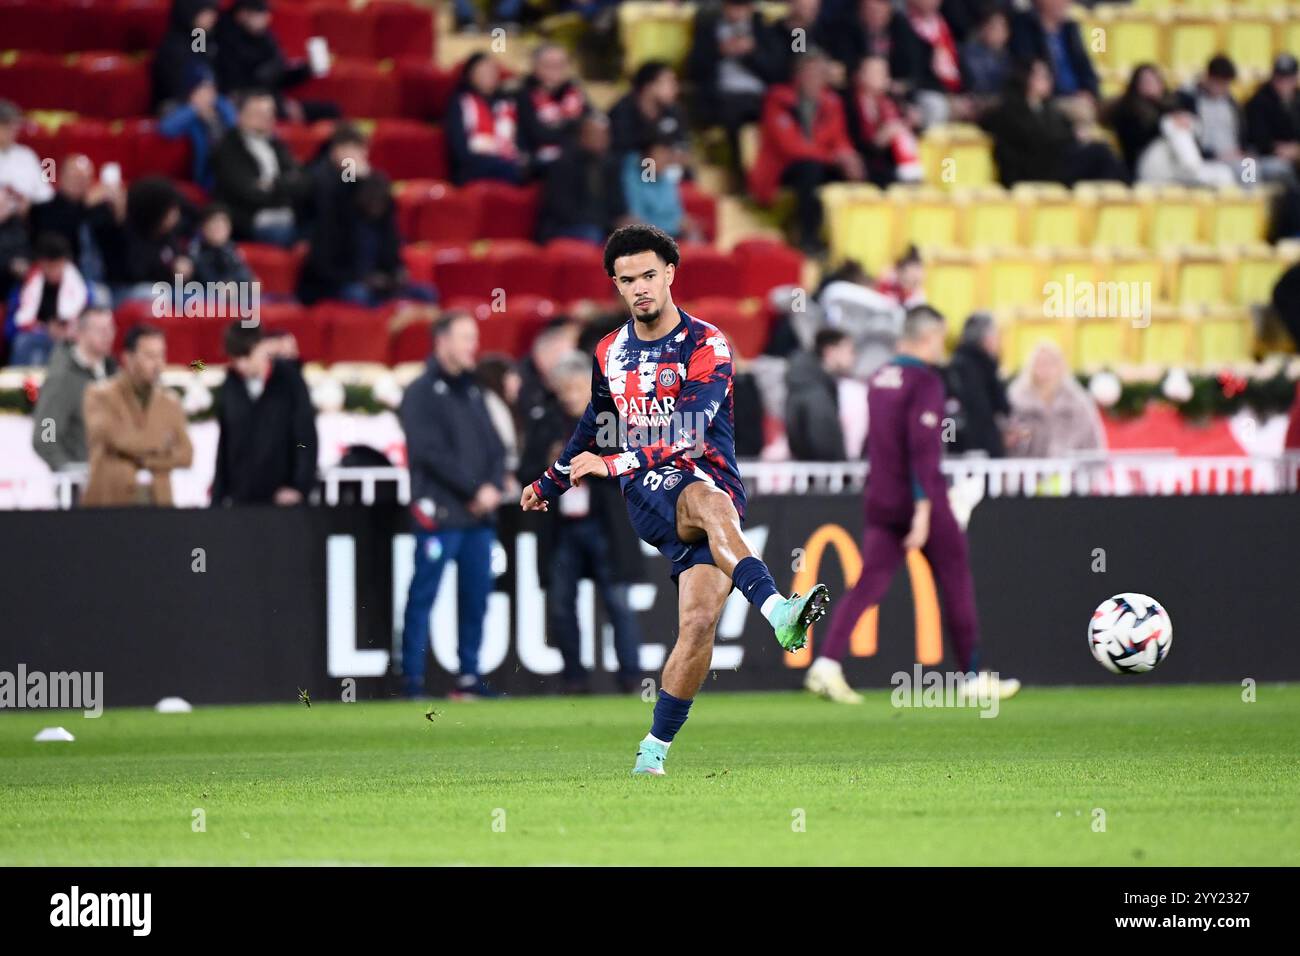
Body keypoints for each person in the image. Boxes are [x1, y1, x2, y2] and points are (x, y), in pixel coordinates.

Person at [520, 224, 832, 775]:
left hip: (707, 475)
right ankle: (779, 611)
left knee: (698, 622)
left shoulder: (708, 344)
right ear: (616, 287)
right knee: (708, 504)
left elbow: (688, 429)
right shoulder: (609, 352)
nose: (639, 288)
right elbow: (597, 424)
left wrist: (610, 461)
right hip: (652, 490)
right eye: (626, 280)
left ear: (670, 275)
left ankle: (653, 751)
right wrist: (554, 480)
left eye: (647, 275)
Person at [805, 306, 1020, 704]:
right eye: (940, 338)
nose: (942, 347)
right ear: (928, 337)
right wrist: (923, 510)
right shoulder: (924, 381)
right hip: (921, 501)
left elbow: (883, 445)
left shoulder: (878, 379)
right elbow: (922, 450)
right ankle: (972, 676)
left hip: (881, 497)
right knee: (955, 579)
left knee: (868, 584)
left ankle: (827, 664)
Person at [519, 350, 645, 693]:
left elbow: (630, 466)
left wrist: (593, 464)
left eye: (578, 388)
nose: (572, 396)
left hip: (604, 524)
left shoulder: (611, 419)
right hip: (562, 527)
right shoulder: (544, 422)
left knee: (617, 602)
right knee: (560, 603)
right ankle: (574, 678)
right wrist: (548, 467)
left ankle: (631, 677)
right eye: (566, 390)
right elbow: (526, 471)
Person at [399, 311, 507, 700]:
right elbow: (429, 453)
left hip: (478, 518)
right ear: (442, 341)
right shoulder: (420, 393)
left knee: (475, 597)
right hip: (440, 515)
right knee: (423, 595)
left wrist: (493, 487)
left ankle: (468, 677)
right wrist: (475, 490)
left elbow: (496, 447)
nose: (472, 347)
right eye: (465, 338)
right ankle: (412, 680)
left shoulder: (474, 391)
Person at [298, 125, 433, 305]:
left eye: (361, 151)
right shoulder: (323, 180)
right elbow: (335, 202)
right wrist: (352, 174)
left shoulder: (376, 194)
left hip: (374, 279)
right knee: (360, 295)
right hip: (338, 281)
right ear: (335, 151)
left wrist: (395, 272)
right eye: (350, 151)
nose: (357, 157)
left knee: (425, 294)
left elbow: (390, 235)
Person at [749, 50, 864, 254]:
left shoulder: (832, 103)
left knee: (857, 170)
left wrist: (848, 157)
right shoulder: (778, 99)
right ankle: (807, 239)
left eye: (820, 73)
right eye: (809, 72)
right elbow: (791, 148)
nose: (815, 78)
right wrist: (832, 158)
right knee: (810, 170)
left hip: (818, 164)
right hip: (781, 169)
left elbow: (840, 139)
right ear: (797, 74)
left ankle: (846, 243)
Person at [82, 324, 193, 507]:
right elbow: (116, 438)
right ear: (128, 358)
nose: (158, 363)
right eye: (150, 356)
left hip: (158, 503)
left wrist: (146, 459)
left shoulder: (170, 402)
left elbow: (186, 455)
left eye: (161, 355)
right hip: (110, 503)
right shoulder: (100, 396)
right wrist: (161, 448)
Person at [212, 322, 317, 506]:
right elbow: (225, 443)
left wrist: (298, 486)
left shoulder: (290, 381)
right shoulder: (231, 385)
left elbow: (303, 439)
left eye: (246, 356)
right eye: (236, 359)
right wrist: (219, 495)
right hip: (240, 498)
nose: (241, 365)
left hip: (283, 498)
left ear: (262, 348)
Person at [981, 58, 1128, 187]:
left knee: (1101, 153)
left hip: (1053, 164)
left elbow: (1061, 133)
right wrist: (1072, 136)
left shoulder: (1047, 107)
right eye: (1042, 76)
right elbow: (1037, 139)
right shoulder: (1010, 110)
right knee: (1099, 153)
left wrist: (1075, 135)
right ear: (1026, 78)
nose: (1048, 80)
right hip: (1031, 170)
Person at [687, 0, 780, 187]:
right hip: (724, 95)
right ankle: (741, 178)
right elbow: (694, 69)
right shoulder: (708, 28)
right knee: (735, 114)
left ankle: (775, 178)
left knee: (778, 115)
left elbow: (778, 71)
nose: (736, 12)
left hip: (759, 95)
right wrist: (719, 51)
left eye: (742, 6)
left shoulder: (762, 30)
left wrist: (752, 53)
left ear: (751, 8)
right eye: (732, 6)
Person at [1107, 63, 1235, 187]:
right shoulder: (1128, 109)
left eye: (1154, 80)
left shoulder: (1173, 103)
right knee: (1172, 125)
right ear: (1136, 84)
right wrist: (1165, 123)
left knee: (1224, 175)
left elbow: (1193, 134)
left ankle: (1195, 169)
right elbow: (1134, 140)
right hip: (1147, 166)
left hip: (1174, 166)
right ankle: (1193, 167)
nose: (1150, 85)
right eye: (1145, 81)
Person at [211, 90, 309, 245]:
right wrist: (284, 188)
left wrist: (272, 185)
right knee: (291, 234)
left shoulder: (276, 144)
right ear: (240, 115)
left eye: (270, 113)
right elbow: (248, 193)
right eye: (259, 113)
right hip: (251, 220)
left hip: (287, 214)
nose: (267, 118)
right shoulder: (228, 147)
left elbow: (302, 181)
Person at [215, 0, 335, 122]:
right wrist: (280, 104)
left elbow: (280, 74)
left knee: (330, 109)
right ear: (242, 14)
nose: (266, 19)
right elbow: (242, 84)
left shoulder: (266, 38)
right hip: (250, 102)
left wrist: (306, 68)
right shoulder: (226, 40)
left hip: (275, 99)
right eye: (260, 14)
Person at [31, 307, 117, 474]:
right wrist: (70, 472)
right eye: (100, 329)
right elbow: (45, 435)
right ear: (81, 332)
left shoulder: (113, 372)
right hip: (79, 485)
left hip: (113, 481)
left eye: (111, 328)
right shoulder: (61, 378)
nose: (108, 335)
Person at [537, 111, 627, 244]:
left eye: (606, 135)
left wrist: (624, 219)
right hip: (563, 228)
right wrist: (605, 222)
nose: (603, 140)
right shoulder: (563, 164)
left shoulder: (610, 166)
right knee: (592, 234)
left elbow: (617, 205)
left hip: (599, 225)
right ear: (582, 136)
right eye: (597, 135)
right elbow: (564, 211)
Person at [1005, 340, 1105, 457]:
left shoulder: (1077, 400)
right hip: (1028, 471)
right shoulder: (1016, 398)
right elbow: (1008, 435)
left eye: (1050, 363)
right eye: (1040, 363)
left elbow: (1092, 441)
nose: (1044, 368)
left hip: (1067, 470)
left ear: (1060, 366)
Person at [8, 233, 89, 367]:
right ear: (41, 264)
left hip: (69, 337)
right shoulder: (27, 286)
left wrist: (69, 330)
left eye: (57, 265)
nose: (53, 271)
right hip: (36, 337)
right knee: (24, 343)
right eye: (49, 266)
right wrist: (43, 329)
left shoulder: (81, 289)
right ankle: (22, 385)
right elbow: (12, 327)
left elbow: (88, 322)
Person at [445, 52, 525, 186]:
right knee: (510, 168)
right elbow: (459, 149)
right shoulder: (460, 102)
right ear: (470, 75)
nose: (488, 75)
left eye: (492, 71)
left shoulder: (508, 103)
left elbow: (520, 140)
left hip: (509, 161)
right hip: (473, 165)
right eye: (482, 71)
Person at [844, 54, 923, 185]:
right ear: (859, 75)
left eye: (884, 72)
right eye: (875, 72)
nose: (882, 77)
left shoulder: (891, 103)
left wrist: (911, 124)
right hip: (861, 164)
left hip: (888, 166)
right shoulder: (849, 104)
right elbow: (851, 143)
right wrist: (877, 142)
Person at [158, 64, 238, 191]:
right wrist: (195, 108)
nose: (208, 93)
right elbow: (167, 129)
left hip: (231, 165)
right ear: (191, 90)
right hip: (208, 173)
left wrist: (216, 108)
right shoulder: (177, 108)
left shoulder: (221, 106)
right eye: (203, 88)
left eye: (211, 88)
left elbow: (236, 127)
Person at [517, 44, 589, 178]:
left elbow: (590, 121)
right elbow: (539, 135)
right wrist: (572, 126)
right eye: (550, 65)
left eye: (562, 64)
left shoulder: (574, 90)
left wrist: (564, 127)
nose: (557, 70)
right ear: (535, 67)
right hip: (538, 158)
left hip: (574, 152)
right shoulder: (524, 94)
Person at [945, 311, 1009, 457]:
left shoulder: (953, 365)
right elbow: (1000, 407)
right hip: (980, 451)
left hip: (956, 449)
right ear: (986, 338)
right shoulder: (985, 367)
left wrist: (949, 446)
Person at [1008, 0, 1099, 102]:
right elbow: (1031, 71)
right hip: (1051, 99)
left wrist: (1089, 91)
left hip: (1080, 97)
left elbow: (1086, 67)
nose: (1064, 2)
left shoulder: (1070, 29)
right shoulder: (1023, 27)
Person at [785, 327, 854, 461]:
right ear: (830, 351)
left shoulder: (805, 383)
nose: (853, 358)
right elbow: (825, 444)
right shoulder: (816, 393)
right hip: (821, 476)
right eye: (849, 351)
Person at [609, 61, 690, 158]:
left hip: (665, 167)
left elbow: (684, 149)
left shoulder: (674, 112)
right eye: (669, 82)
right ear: (649, 86)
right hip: (631, 167)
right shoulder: (622, 112)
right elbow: (620, 150)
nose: (676, 88)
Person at [151, 0, 220, 112]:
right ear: (190, 13)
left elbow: (205, 69)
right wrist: (195, 96)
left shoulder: (200, 37)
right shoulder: (172, 47)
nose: (212, 18)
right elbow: (172, 87)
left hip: (206, 98)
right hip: (176, 104)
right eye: (206, 13)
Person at [1244, 54, 1300, 180]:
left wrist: (1296, 150)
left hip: (1295, 155)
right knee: (1283, 170)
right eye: (1280, 78)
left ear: (1295, 78)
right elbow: (1257, 139)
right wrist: (1278, 149)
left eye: (1288, 78)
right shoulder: (1258, 101)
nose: (1284, 83)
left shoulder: (1297, 99)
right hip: (1267, 157)